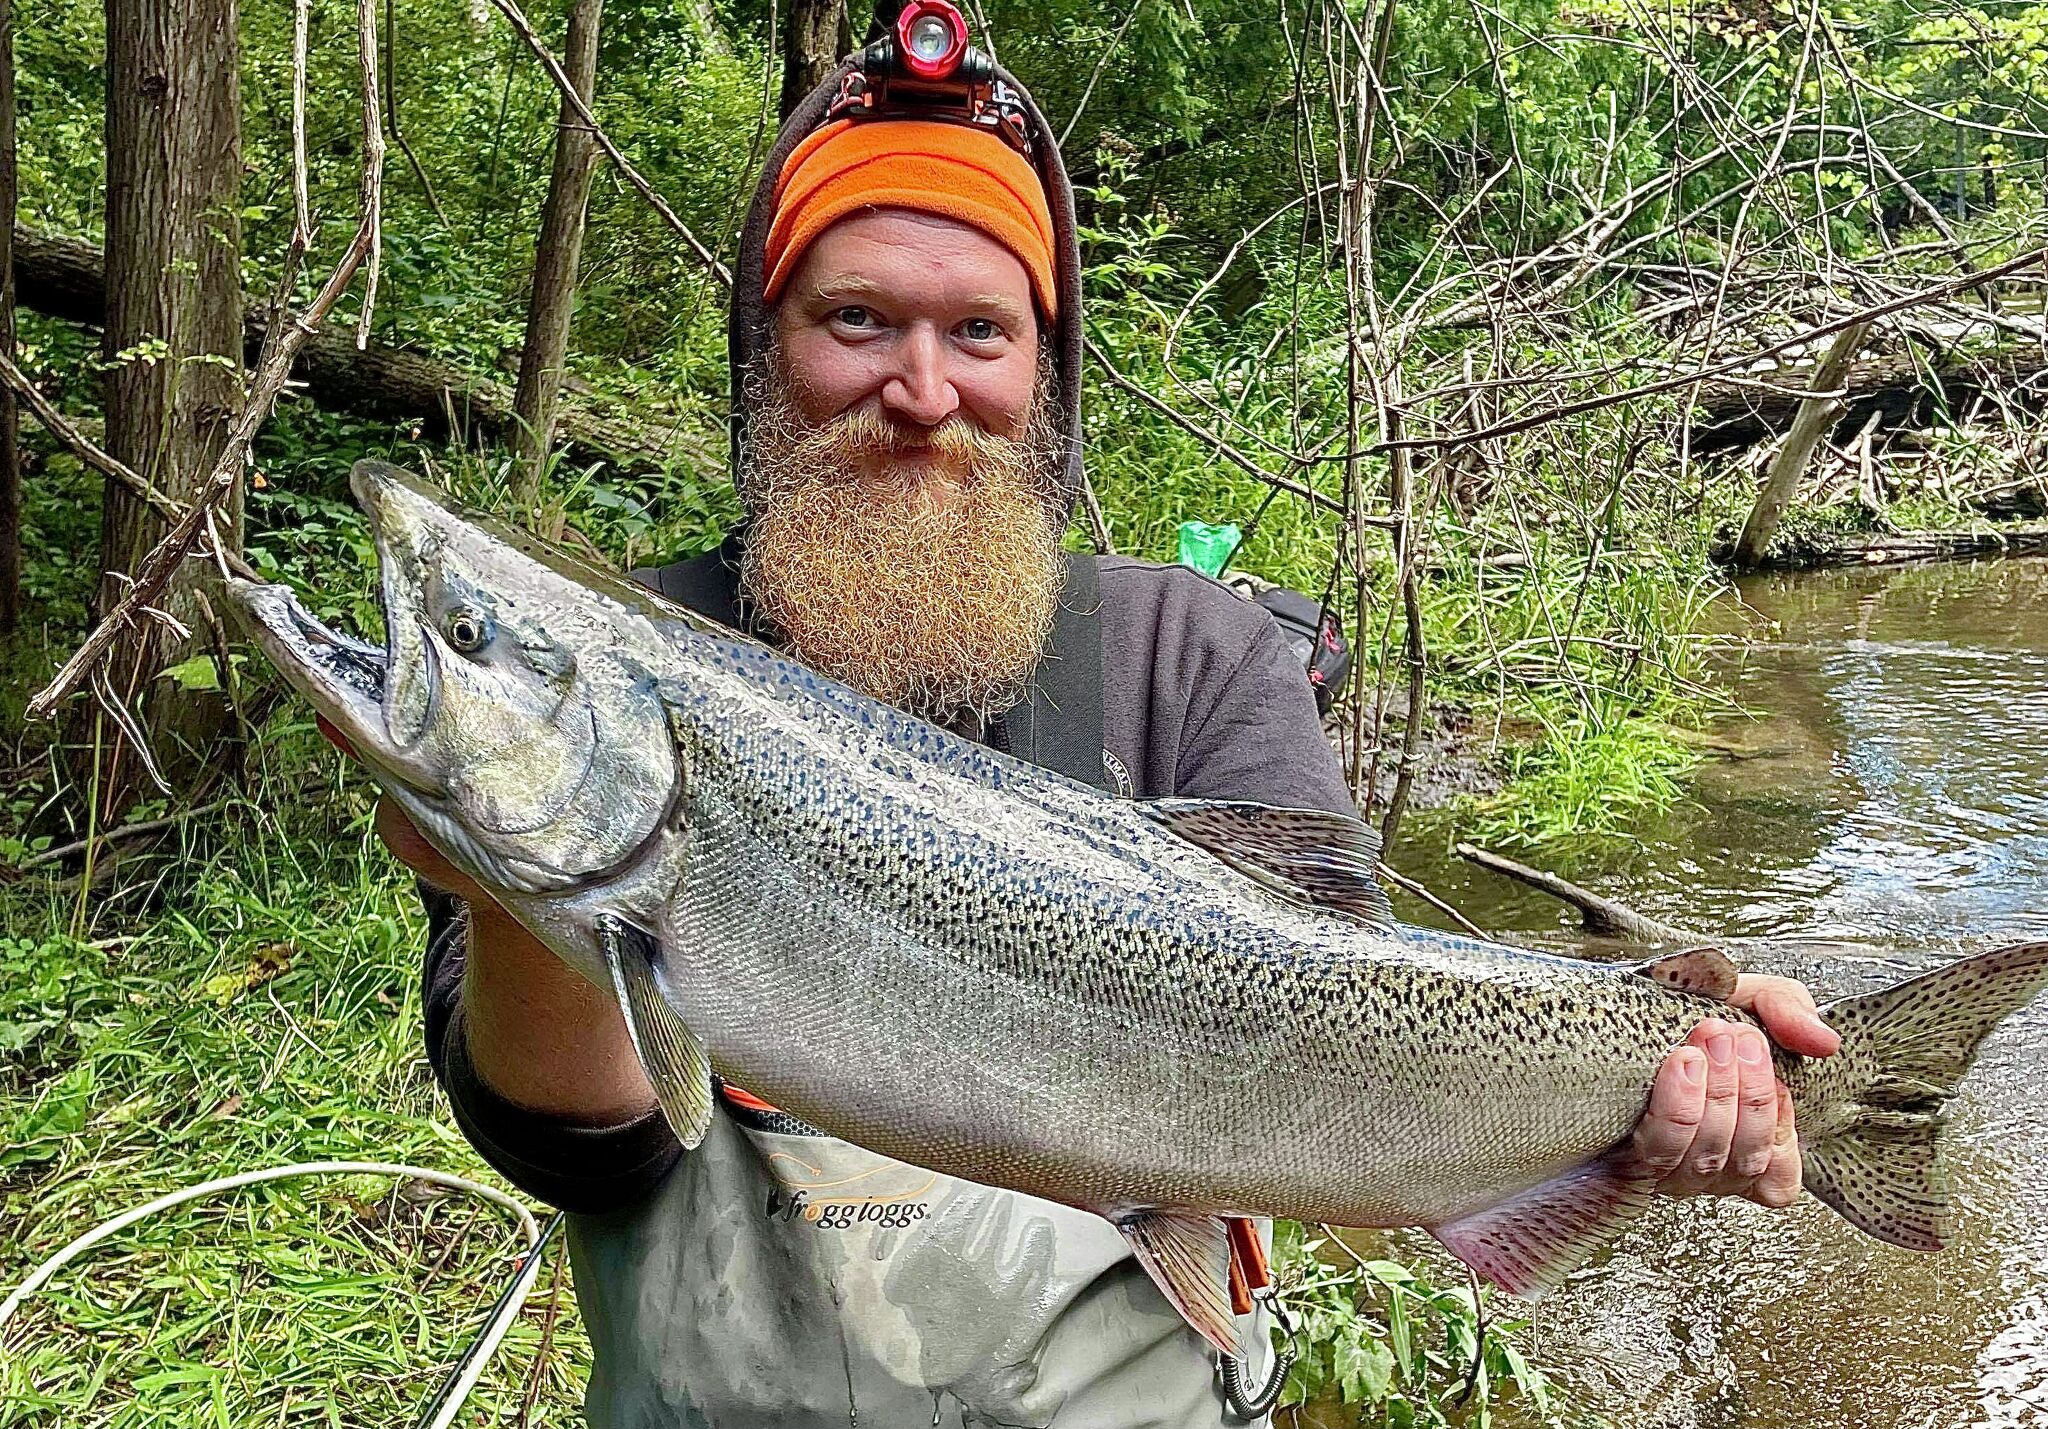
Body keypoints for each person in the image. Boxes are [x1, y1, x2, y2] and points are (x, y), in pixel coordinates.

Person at [353, 45, 1842, 1429]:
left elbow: (1359, 1068)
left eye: (980, 331)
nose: (922, 391)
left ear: (1044, 373)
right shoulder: (622, 671)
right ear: (768, 347)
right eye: (856, 317)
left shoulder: (1186, 649)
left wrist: (1651, 1086)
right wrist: (501, 888)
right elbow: (579, 1151)